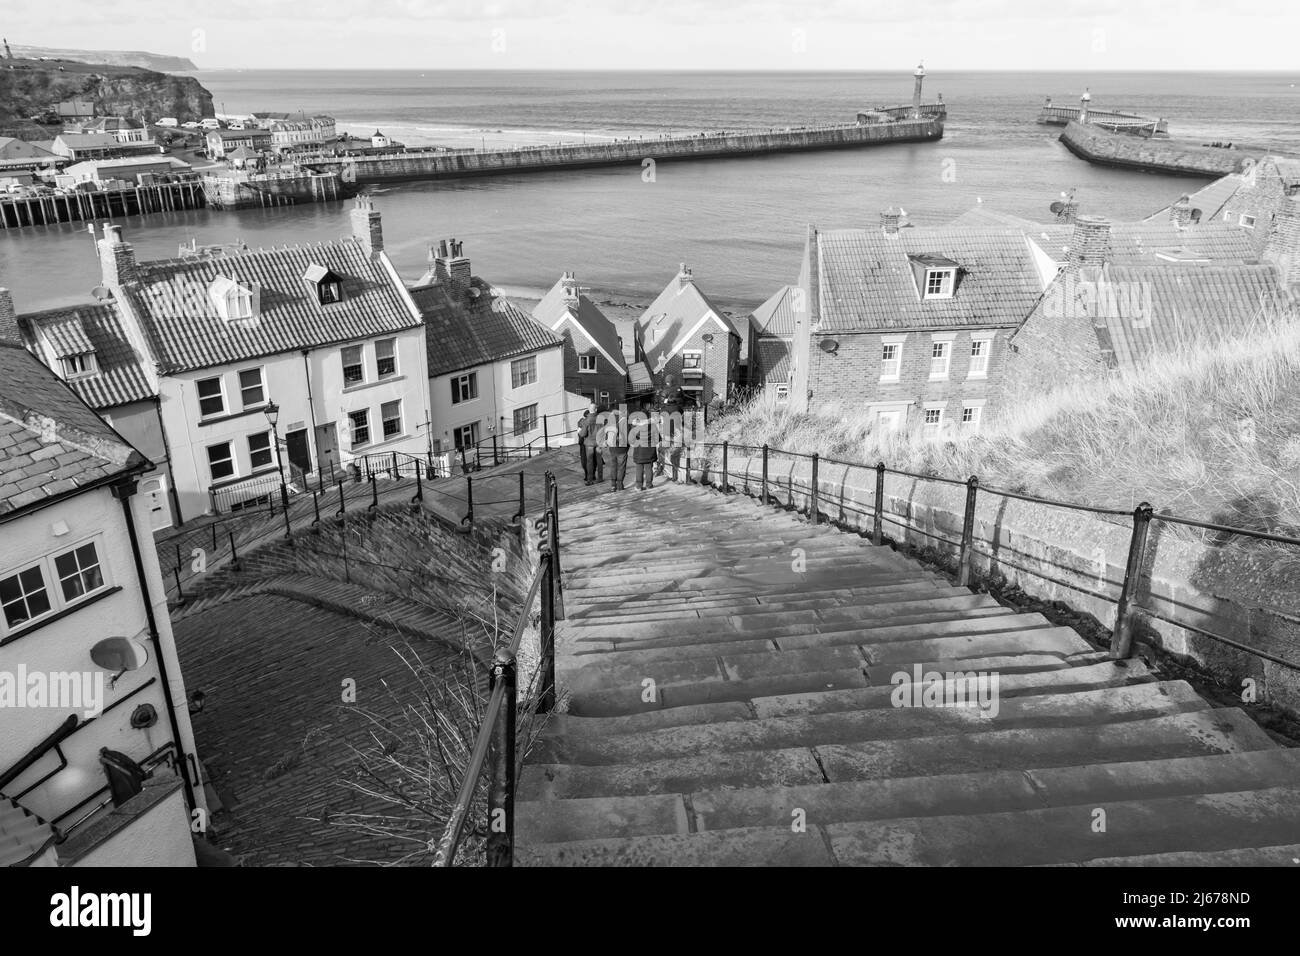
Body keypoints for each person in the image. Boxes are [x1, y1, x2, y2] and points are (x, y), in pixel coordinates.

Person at [603, 410, 629, 491]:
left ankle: (613, 485)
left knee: (613, 466)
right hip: (622, 449)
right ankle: (620, 485)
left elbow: (606, 435)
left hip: (612, 448)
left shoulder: (609, 423)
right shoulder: (625, 423)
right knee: (621, 467)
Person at [576, 404, 597, 485]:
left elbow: (583, 434)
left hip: (589, 444)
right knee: (596, 460)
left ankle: (590, 479)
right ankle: (598, 476)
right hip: (598, 442)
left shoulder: (586, 421)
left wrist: (579, 432)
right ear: (596, 409)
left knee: (589, 462)